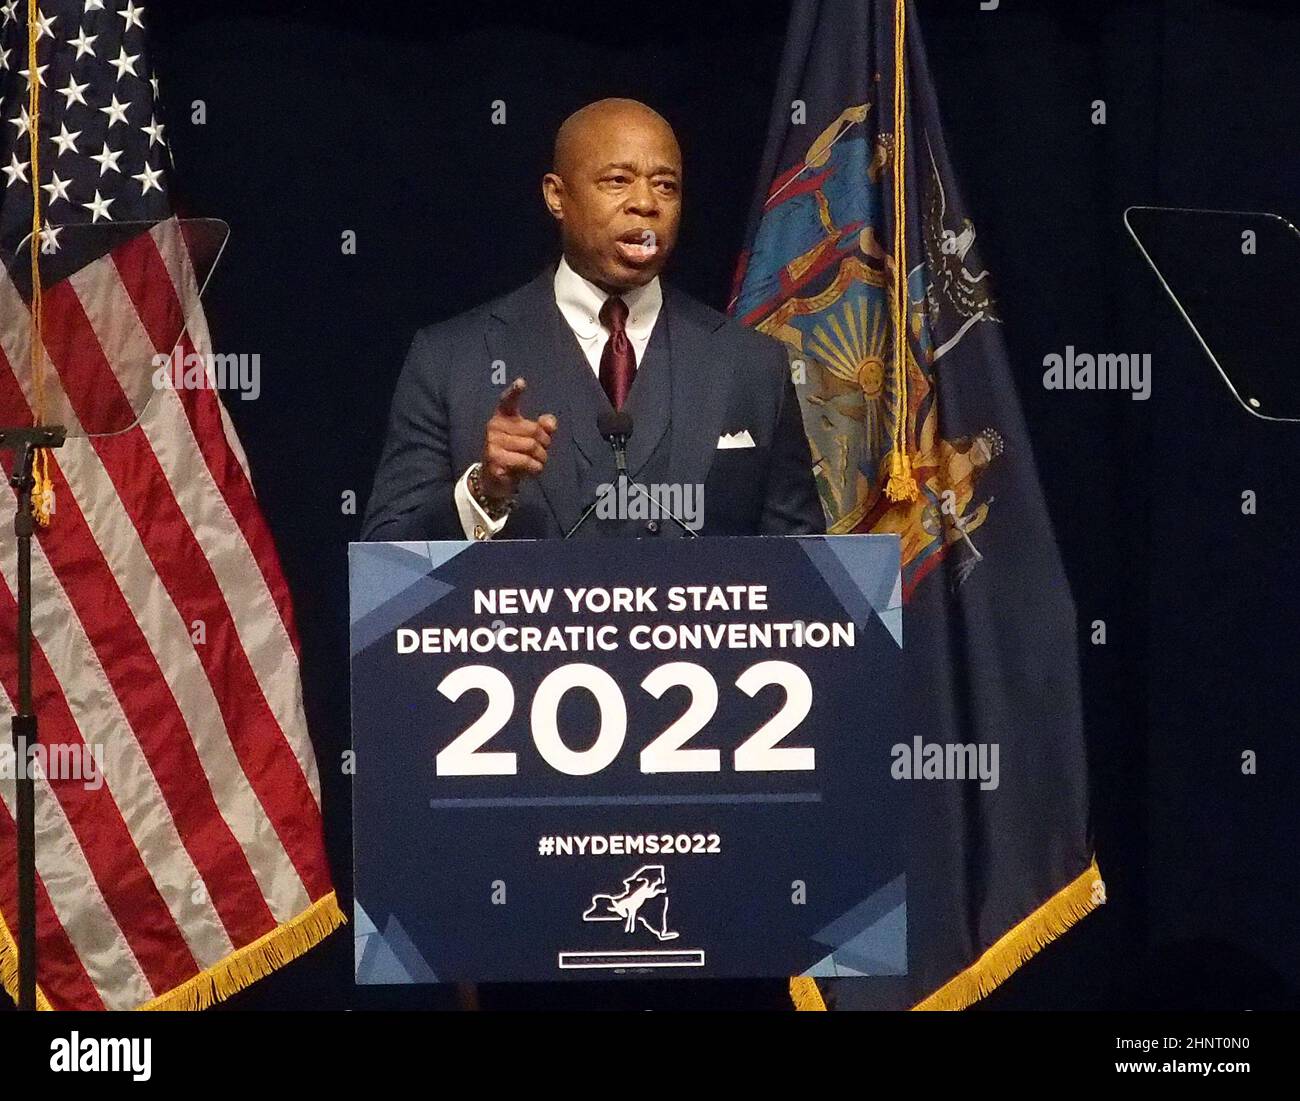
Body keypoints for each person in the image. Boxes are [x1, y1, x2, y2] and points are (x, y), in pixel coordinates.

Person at [361, 98, 823, 543]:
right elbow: (388, 564)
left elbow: (805, 569)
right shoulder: (450, 360)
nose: (646, 203)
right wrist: (485, 491)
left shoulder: (751, 364)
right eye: (618, 180)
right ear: (556, 196)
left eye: (666, 185)